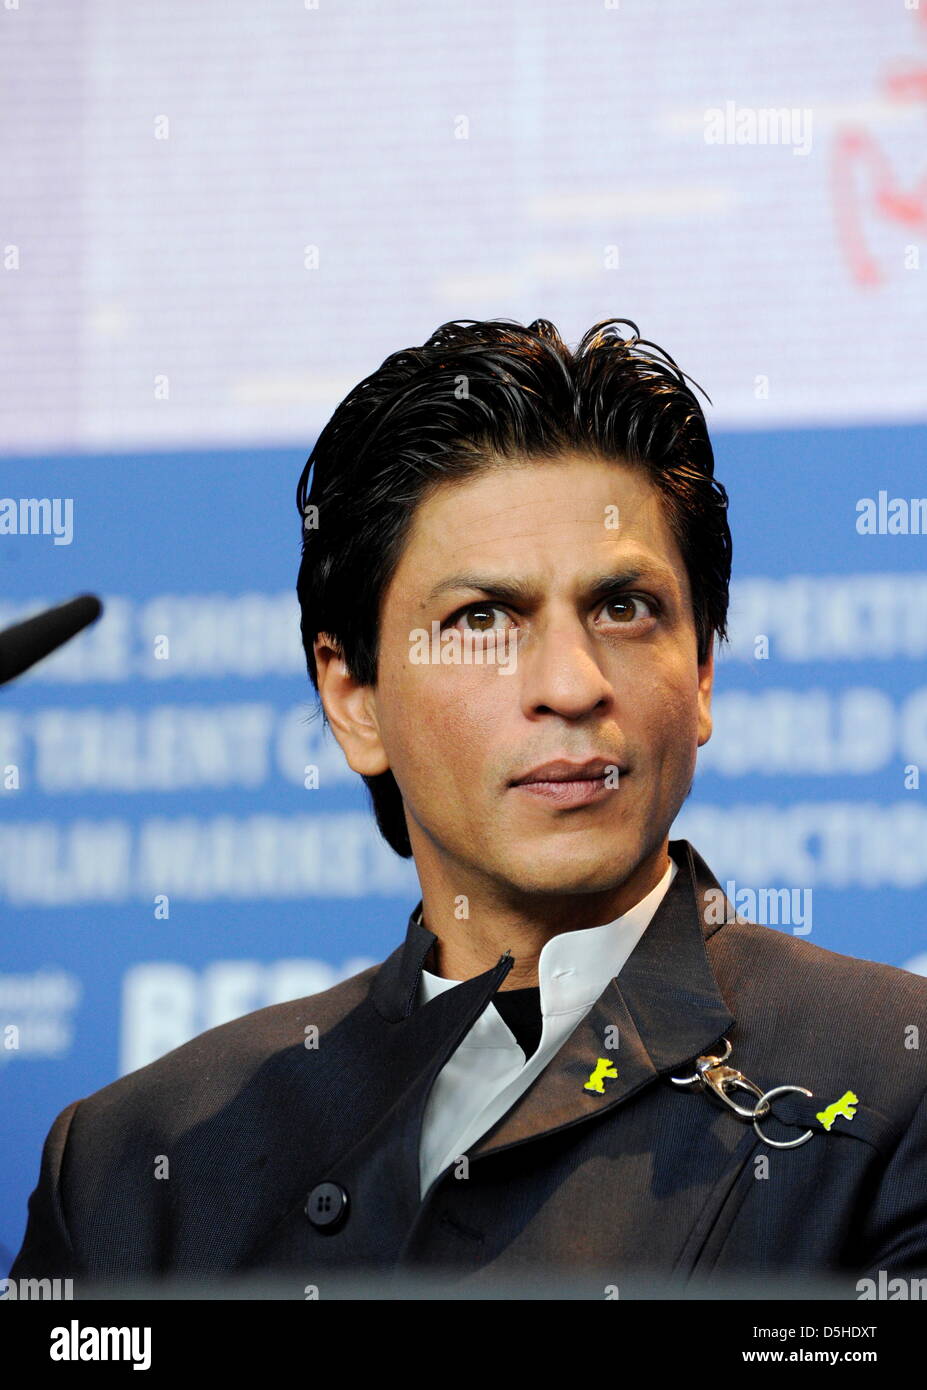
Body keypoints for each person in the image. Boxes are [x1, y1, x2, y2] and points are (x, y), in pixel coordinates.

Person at [10, 318, 927, 1293]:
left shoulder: (891, 1081)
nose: (571, 685)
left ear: (700, 674)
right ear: (354, 699)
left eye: (623, 608)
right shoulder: (136, 1162)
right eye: (482, 618)